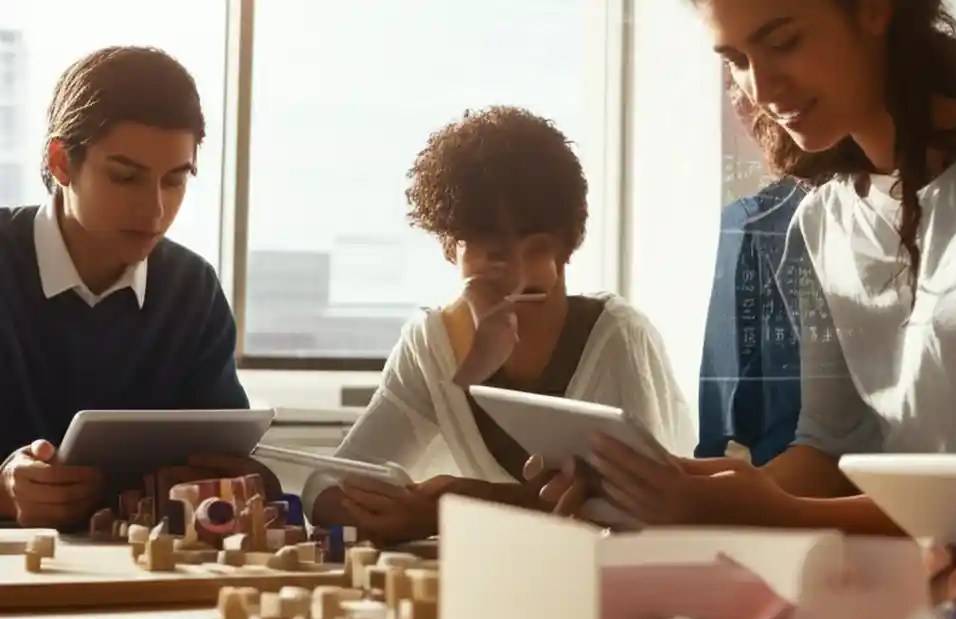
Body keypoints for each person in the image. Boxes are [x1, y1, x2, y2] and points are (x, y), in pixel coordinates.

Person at [536, 0, 956, 543]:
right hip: (903, 583)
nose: (760, 89)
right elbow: (828, 450)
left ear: (873, 8)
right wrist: (655, 486)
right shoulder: (821, 219)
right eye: (737, 61)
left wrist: (755, 512)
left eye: (783, 42)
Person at [301, 106, 696, 544]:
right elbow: (324, 487)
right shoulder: (432, 346)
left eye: (533, 248)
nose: (515, 277)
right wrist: (381, 510)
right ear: (451, 248)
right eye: (490, 252)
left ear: (568, 242)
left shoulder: (617, 339)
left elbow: (646, 514)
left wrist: (457, 505)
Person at [0, 47, 272, 530]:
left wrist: (239, 482)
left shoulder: (193, 290)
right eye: (125, 178)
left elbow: (222, 464)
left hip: (140, 570)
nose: (154, 212)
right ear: (62, 163)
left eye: (175, 181)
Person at [697, 177, 832, 466]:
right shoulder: (757, 219)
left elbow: (724, 419)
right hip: (799, 477)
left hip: (790, 477)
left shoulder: (757, 219)